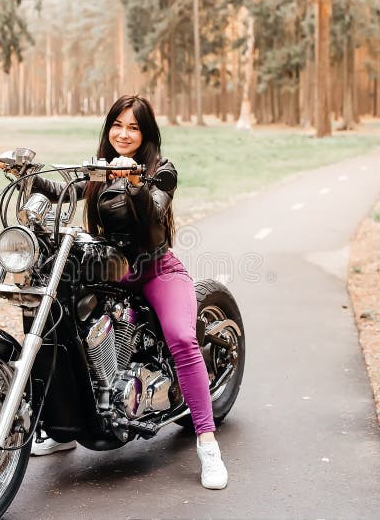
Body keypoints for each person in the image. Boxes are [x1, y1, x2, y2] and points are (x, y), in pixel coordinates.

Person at [23, 95, 228, 490]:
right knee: (64, 328)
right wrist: (25, 173)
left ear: (146, 134)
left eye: (133, 127)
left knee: (184, 340)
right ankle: (65, 429)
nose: (124, 133)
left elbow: (152, 222)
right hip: (109, 270)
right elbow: (61, 189)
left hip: (155, 269)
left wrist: (133, 182)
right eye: (118, 124)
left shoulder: (162, 171)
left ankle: (206, 441)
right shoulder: (99, 170)